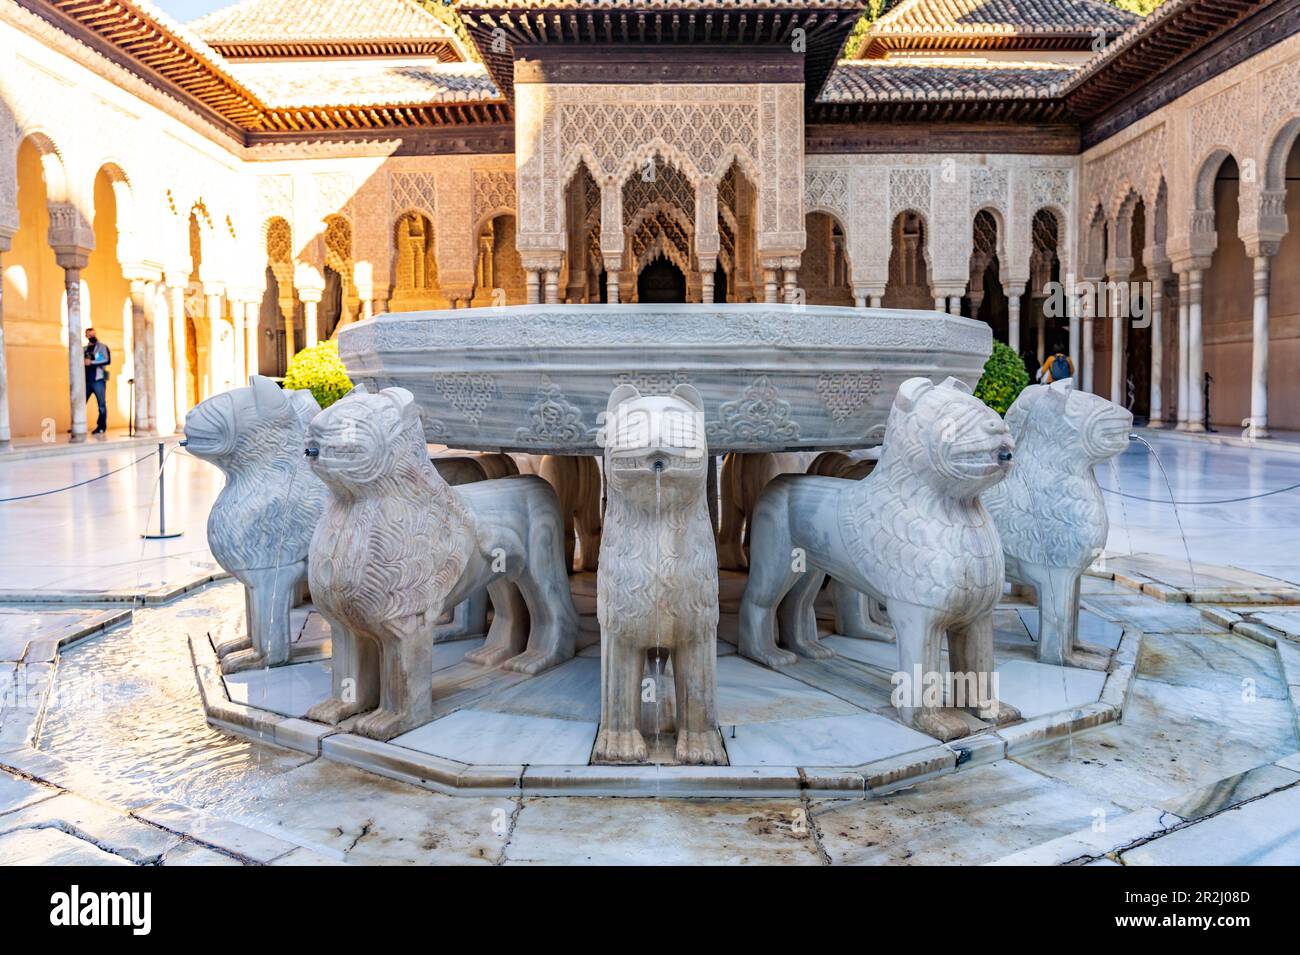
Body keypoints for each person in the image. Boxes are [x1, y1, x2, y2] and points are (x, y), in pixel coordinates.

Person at [83, 327, 111, 435]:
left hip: (98, 380)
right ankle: (78, 426)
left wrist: (92, 362)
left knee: (101, 405)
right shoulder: (84, 349)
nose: (92, 336)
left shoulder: (102, 347)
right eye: (89, 335)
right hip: (86, 381)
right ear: (86, 336)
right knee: (80, 404)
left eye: (93, 334)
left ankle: (101, 427)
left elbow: (107, 360)